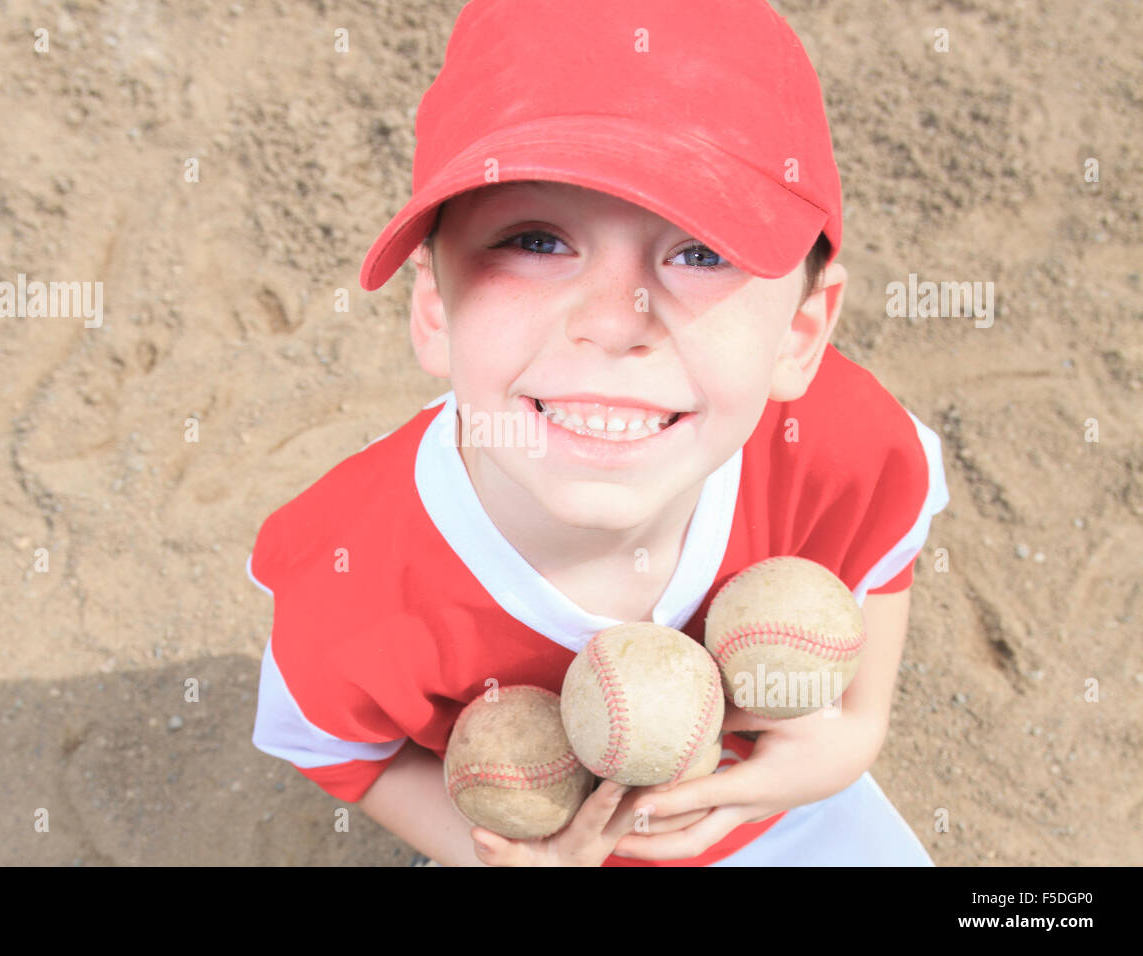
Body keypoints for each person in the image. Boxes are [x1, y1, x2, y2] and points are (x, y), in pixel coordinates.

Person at [248, 0, 950, 866]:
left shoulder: (836, 447)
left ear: (800, 334)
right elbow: (338, 752)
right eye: (536, 239)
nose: (619, 321)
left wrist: (851, 737)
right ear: (434, 307)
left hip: (792, 812)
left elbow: (886, 546)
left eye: (698, 251)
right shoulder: (351, 577)